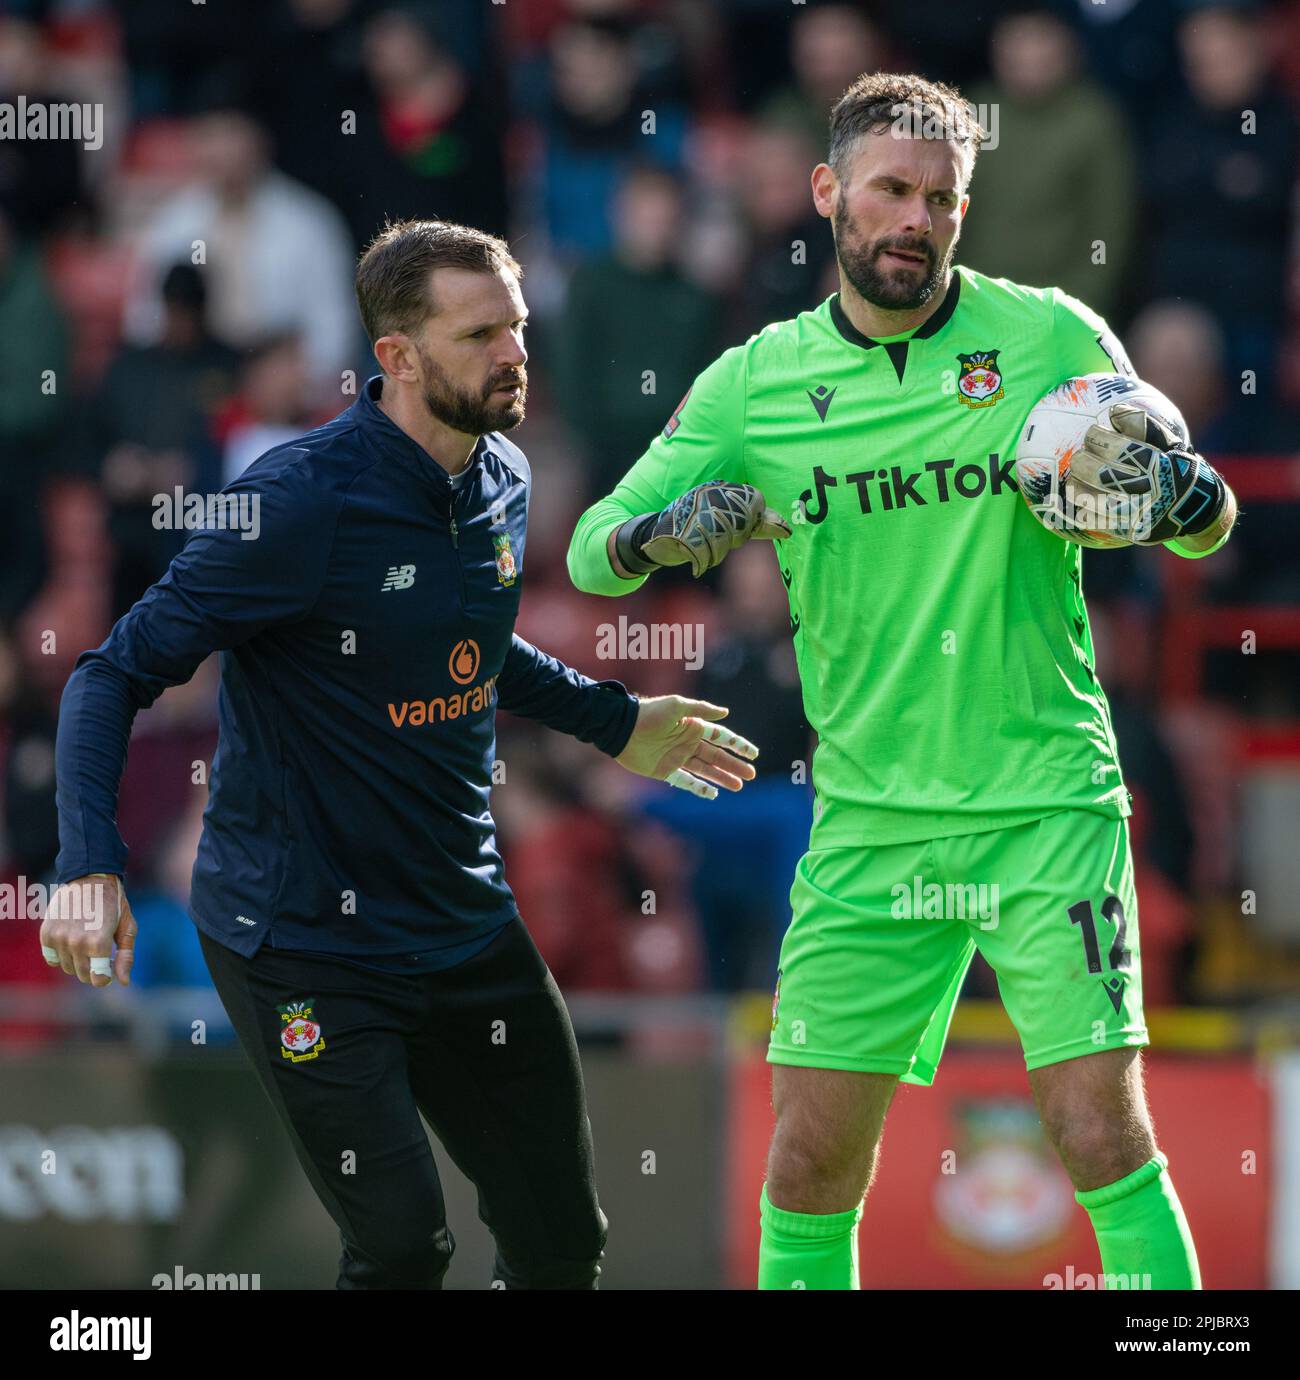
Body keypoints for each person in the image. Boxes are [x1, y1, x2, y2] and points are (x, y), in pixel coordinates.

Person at [567, 72, 1238, 1290]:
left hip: (1045, 804)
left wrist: (1187, 501)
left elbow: (1196, 522)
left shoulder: (1051, 338)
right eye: (890, 190)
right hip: (871, 823)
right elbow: (587, 552)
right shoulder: (754, 385)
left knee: (1099, 1133)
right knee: (807, 1166)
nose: (915, 219)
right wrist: (662, 536)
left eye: (941, 198)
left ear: (963, 210)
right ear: (829, 192)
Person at [43, 218, 760, 1290]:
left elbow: (468, 644)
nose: (513, 354)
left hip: (461, 919)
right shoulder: (296, 503)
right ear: (398, 356)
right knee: (400, 1250)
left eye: (517, 327)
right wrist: (86, 865)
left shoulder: (504, 474)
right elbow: (110, 673)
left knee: (563, 1242)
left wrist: (616, 723)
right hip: (301, 943)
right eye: (479, 336)